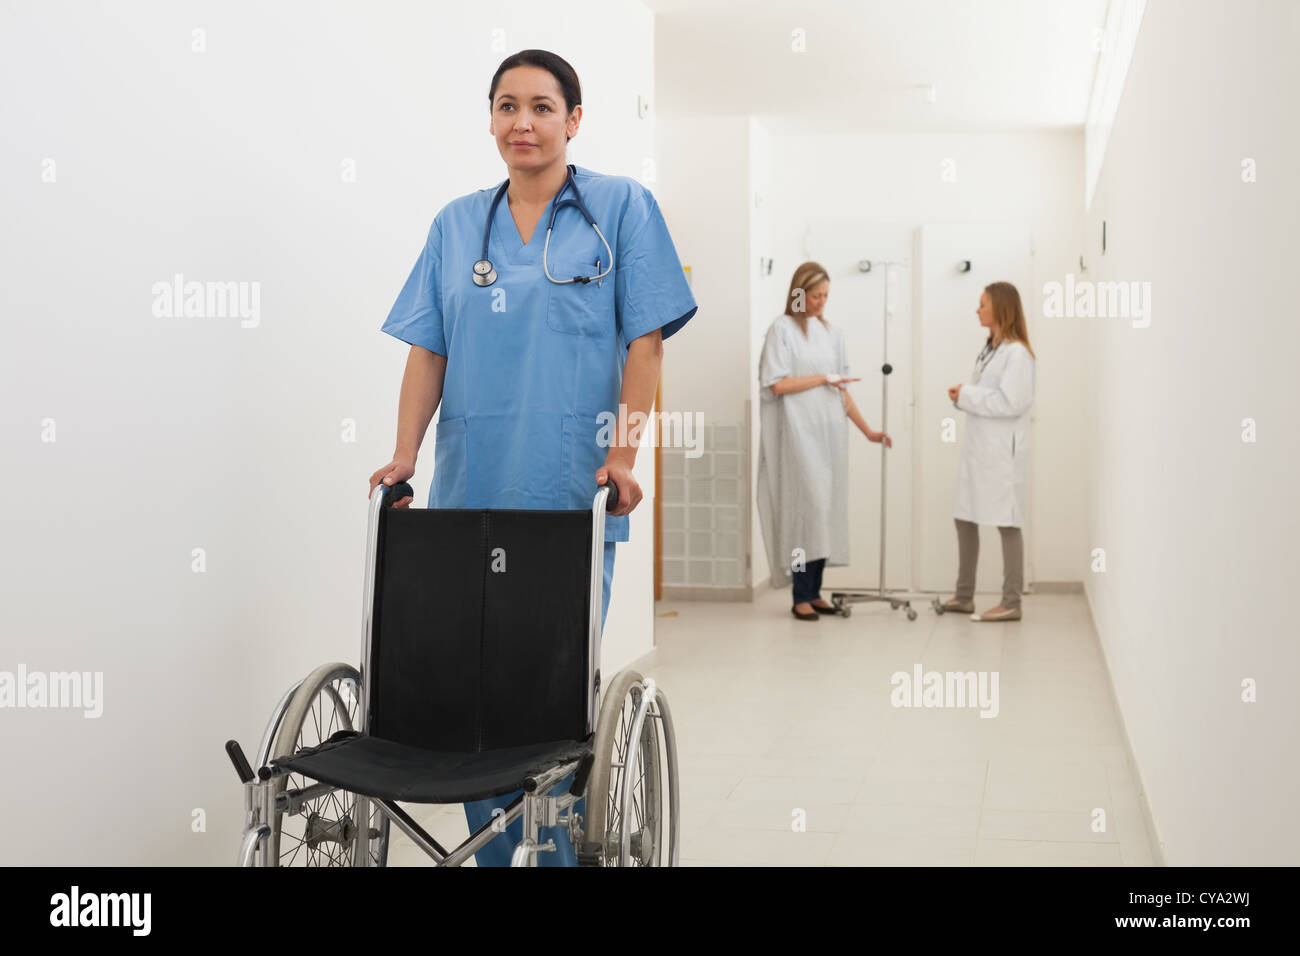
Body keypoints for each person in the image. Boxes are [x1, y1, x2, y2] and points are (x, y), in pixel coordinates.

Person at [367, 49, 697, 865]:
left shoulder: (620, 209)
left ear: (573, 120)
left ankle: (550, 852)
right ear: (490, 119)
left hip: (570, 499)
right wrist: (404, 455)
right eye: (507, 105)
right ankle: (490, 849)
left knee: (547, 693)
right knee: (470, 688)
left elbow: (644, 342)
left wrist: (624, 458)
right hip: (469, 494)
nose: (523, 121)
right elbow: (427, 352)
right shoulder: (456, 225)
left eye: (543, 106)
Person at [757, 261, 892, 622]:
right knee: (806, 513)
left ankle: (815, 592)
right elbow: (776, 384)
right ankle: (800, 594)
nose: (821, 302)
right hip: (799, 438)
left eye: (826, 295)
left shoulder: (832, 333)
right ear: (799, 293)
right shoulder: (782, 330)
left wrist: (868, 431)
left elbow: (841, 391)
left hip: (830, 434)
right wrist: (820, 378)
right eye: (816, 295)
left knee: (825, 514)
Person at [941, 281, 1036, 622]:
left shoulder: (1018, 354)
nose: (977, 309)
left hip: (1001, 454)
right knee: (964, 517)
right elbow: (985, 396)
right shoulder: (990, 349)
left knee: (1007, 523)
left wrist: (965, 394)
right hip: (979, 449)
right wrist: (962, 396)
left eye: (982, 304)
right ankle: (964, 596)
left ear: (1000, 308)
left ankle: (1011, 601)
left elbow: (1011, 402)